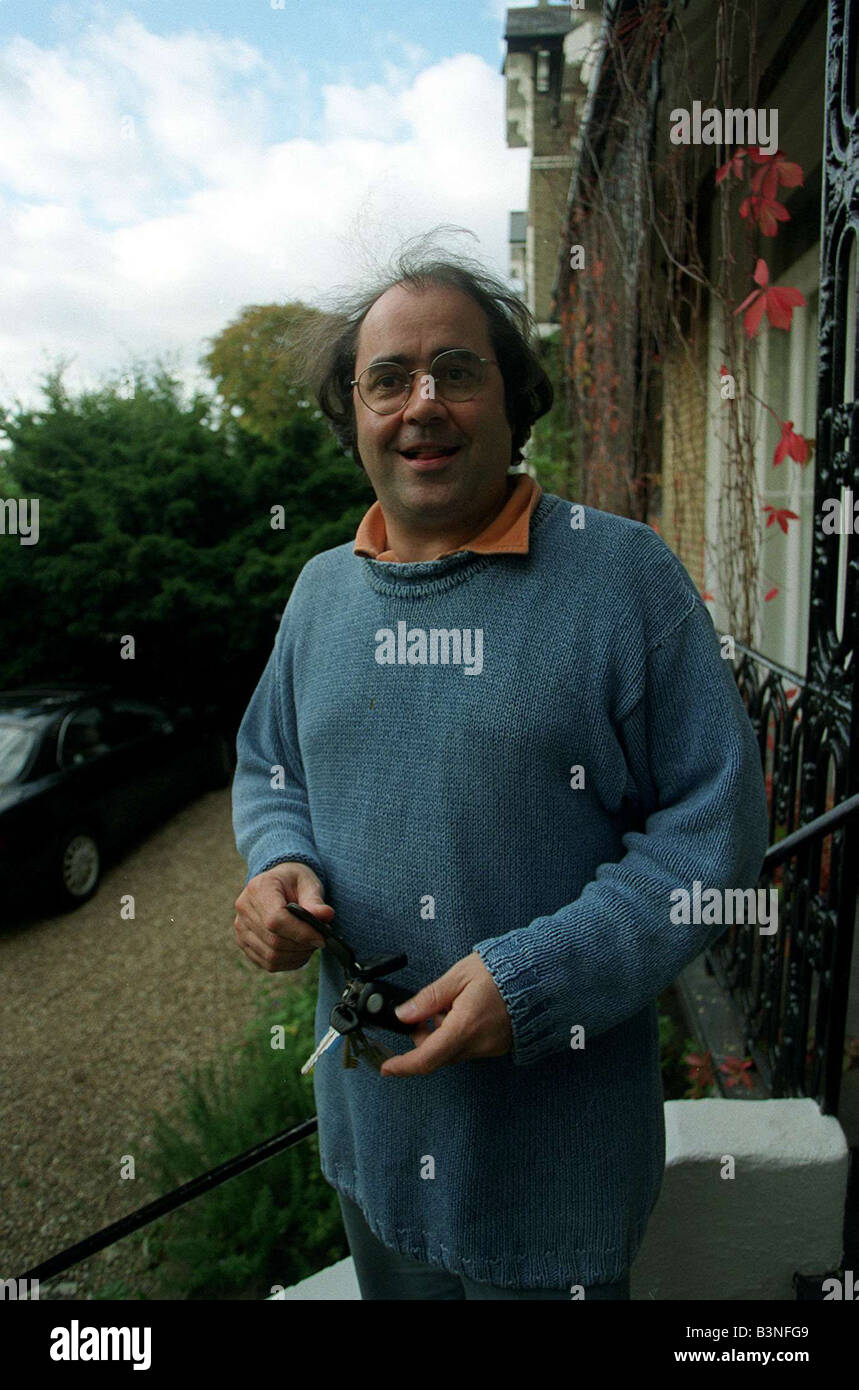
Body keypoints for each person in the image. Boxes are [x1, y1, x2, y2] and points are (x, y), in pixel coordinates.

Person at [231, 235, 769, 1301]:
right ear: (355, 415)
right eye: (387, 379)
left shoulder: (623, 580)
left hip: (553, 1173)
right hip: (373, 1140)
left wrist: (537, 980)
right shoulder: (319, 593)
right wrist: (276, 862)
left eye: (455, 372)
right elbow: (268, 765)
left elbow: (712, 839)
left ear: (514, 402)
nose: (419, 403)